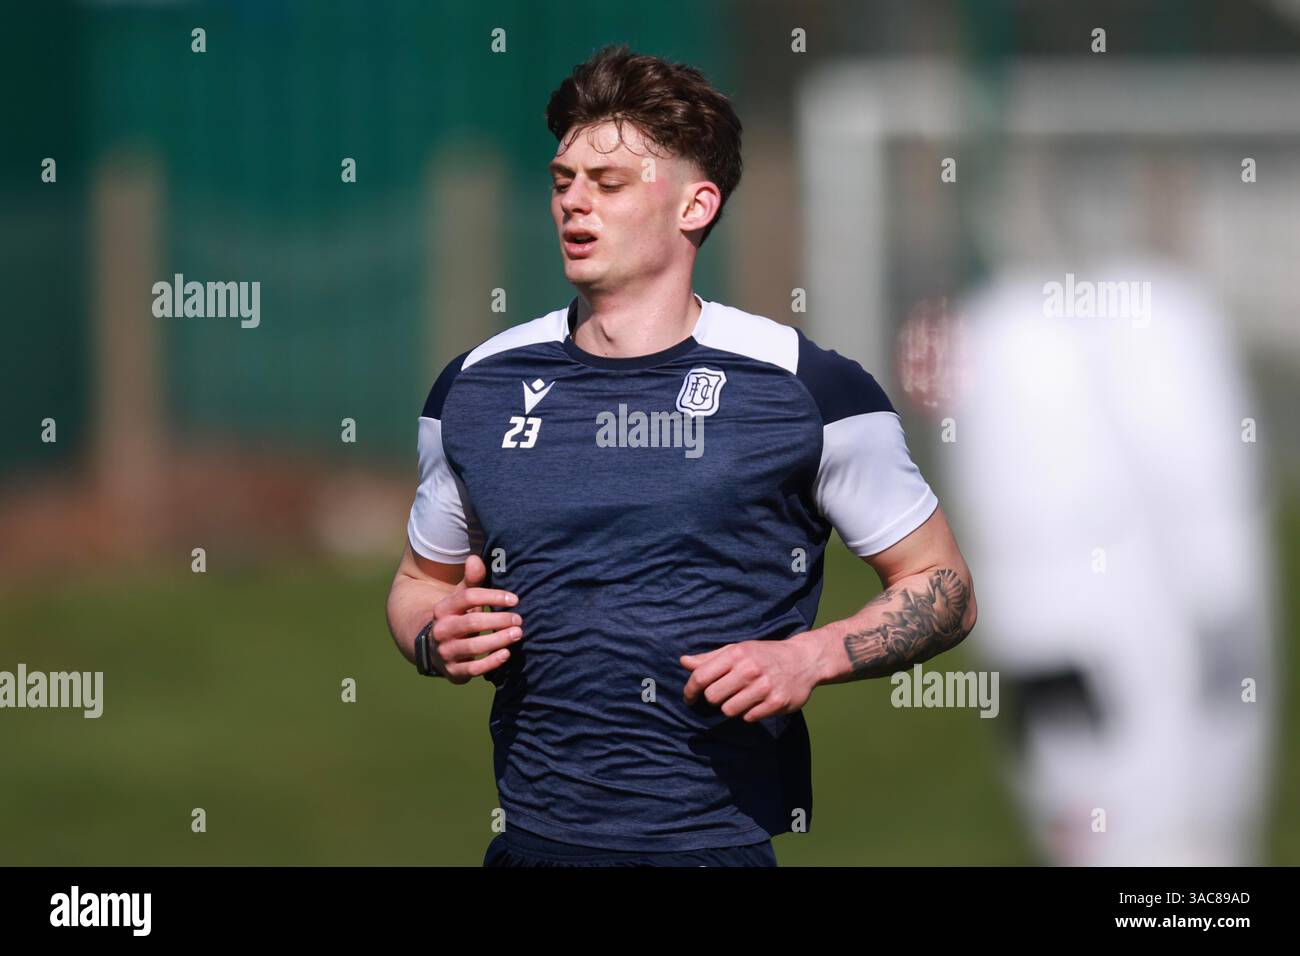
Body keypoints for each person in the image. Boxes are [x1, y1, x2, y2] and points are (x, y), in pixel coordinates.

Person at [384, 44, 977, 867]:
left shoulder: (808, 389)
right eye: (563, 181)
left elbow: (942, 587)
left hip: (712, 849)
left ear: (696, 205)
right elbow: (420, 584)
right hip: (528, 845)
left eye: (609, 183)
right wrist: (429, 636)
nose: (573, 204)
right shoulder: (475, 387)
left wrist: (812, 655)